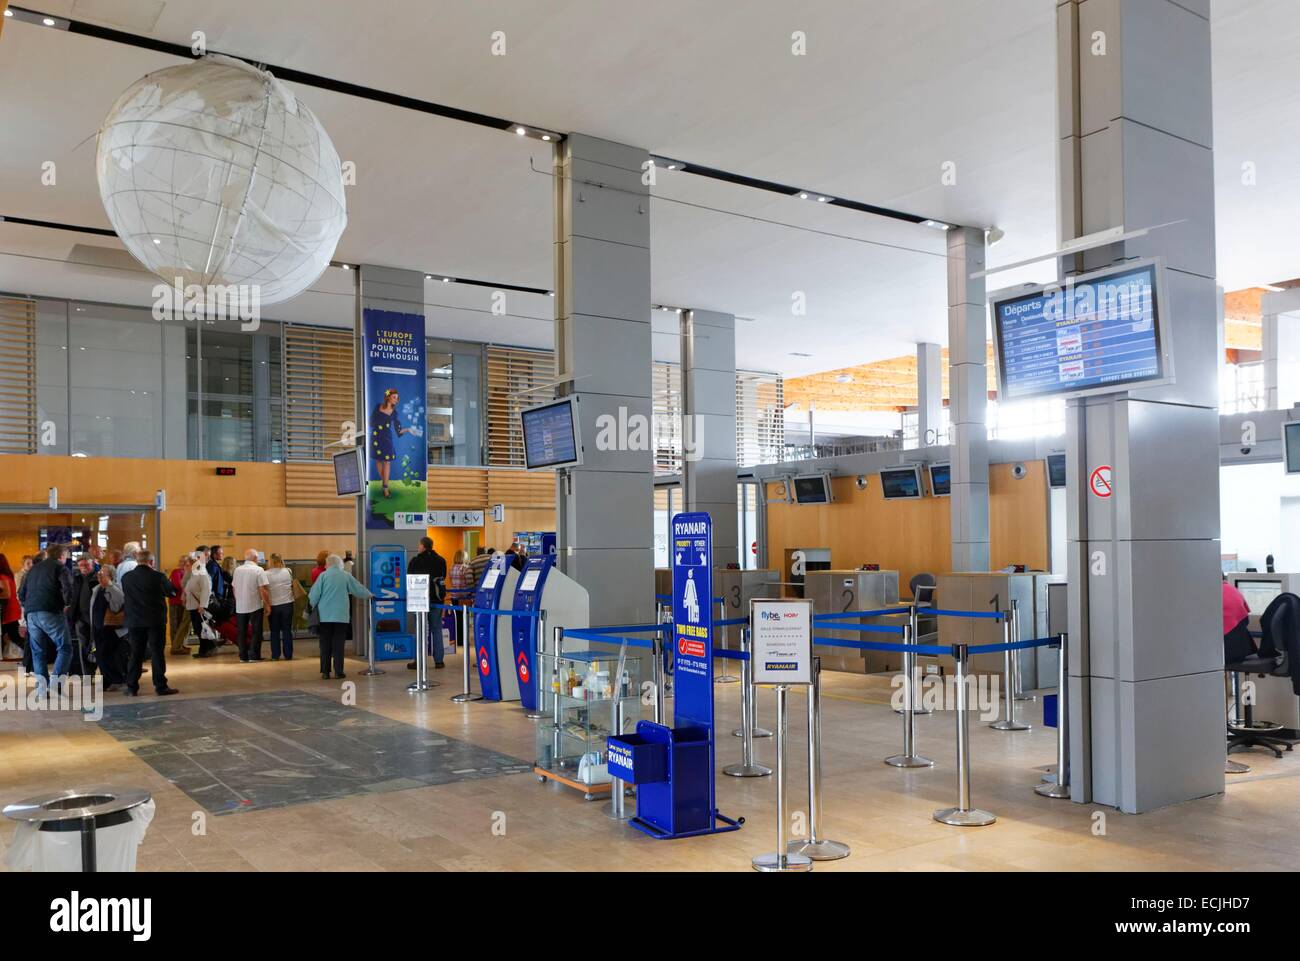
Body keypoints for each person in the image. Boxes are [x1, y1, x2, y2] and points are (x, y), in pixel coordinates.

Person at [121, 550, 179, 696]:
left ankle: (131, 687)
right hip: (155, 621)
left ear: (137, 560)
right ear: (151, 562)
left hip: (134, 621)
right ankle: (160, 686)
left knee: (136, 654)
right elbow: (171, 592)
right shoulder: (158, 577)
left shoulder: (126, 577)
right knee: (157, 653)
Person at [18, 545, 73, 695]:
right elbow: (68, 588)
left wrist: (28, 606)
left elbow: (21, 593)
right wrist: (67, 604)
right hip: (50, 611)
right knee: (65, 647)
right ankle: (55, 686)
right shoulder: (60, 567)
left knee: (38, 652)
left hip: (31, 613)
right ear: (61, 555)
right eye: (66, 556)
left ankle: (42, 690)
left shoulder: (32, 569)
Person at [308, 554, 372, 680]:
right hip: (341, 616)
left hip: (324, 616)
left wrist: (311, 606)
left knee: (325, 644)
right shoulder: (345, 575)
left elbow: (313, 595)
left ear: (328, 564)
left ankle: (325, 672)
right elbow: (357, 589)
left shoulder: (323, 576)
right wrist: (370, 595)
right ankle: (339, 672)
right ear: (339, 564)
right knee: (338, 644)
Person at [407, 537, 447, 670]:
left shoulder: (416, 561)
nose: (418, 547)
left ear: (423, 546)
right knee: (436, 629)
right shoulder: (441, 560)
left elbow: (410, 578)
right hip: (437, 599)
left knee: (421, 630)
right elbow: (443, 577)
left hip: (420, 599)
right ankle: (439, 660)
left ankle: (419, 660)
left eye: (419, 545)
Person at [90, 564, 127, 691]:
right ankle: (107, 681)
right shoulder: (96, 589)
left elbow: (119, 604)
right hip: (98, 626)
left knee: (107, 655)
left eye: (103, 574)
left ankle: (117, 680)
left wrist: (110, 586)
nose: (100, 576)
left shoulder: (115, 588)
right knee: (99, 654)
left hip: (111, 628)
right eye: (100, 574)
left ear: (111, 576)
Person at [370, 387, 412, 498]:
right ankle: (384, 484)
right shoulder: (377, 407)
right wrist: (378, 425)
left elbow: (398, 431)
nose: (396, 400)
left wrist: (408, 429)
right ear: (388, 397)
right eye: (394, 397)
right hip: (376, 437)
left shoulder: (394, 413)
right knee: (379, 460)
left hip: (387, 438)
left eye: (397, 398)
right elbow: (370, 422)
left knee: (387, 462)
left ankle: (385, 487)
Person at [232, 549, 270, 662]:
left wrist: (238, 599)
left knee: (241, 632)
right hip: (255, 605)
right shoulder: (259, 570)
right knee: (256, 631)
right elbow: (262, 589)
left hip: (240, 606)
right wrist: (267, 605)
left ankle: (243, 656)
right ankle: (254, 655)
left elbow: (234, 588)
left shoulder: (237, 570)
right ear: (255, 558)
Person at [68, 555, 98, 677]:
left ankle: (106, 676)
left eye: (87, 565)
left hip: (96, 618)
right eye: (81, 565)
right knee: (83, 646)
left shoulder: (98, 577)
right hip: (80, 618)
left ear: (92, 565)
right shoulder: (77, 579)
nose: (84, 568)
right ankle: (87, 674)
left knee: (97, 646)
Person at [264, 553, 298, 661]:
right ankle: (288, 655)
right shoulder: (288, 571)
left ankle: (275, 655)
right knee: (287, 630)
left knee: (274, 631)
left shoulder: (266, 574)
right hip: (287, 604)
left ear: (270, 561)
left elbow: (264, 590)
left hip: (273, 605)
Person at [184, 550, 214, 658]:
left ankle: (205, 649)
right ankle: (207, 647)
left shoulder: (202, 572)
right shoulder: (194, 573)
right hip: (193, 606)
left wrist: (202, 605)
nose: (186, 565)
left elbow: (206, 590)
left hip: (199, 606)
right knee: (198, 628)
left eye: (188, 563)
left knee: (202, 628)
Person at [1223, 576, 1255, 664]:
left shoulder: (1208, 593)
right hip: (1242, 649)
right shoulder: (1232, 589)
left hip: (1225, 654)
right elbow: (1246, 618)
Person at [448, 549, 472, 648]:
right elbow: (469, 582)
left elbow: (451, 581)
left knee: (457, 619)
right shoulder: (466, 568)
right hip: (464, 597)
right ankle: (464, 640)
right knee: (464, 620)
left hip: (454, 596)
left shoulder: (452, 568)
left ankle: (457, 639)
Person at [168, 554, 191, 654]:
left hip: (185, 602)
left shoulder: (187, 572)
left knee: (183, 625)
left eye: (185, 562)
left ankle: (181, 644)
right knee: (175, 624)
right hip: (176, 602)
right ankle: (175, 646)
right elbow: (178, 585)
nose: (184, 563)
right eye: (182, 561)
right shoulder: (176, 572)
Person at [0, 554, 21, 662]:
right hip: (12, 607)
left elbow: (6, 594)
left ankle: (30, 654)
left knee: (14, 635)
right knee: (12, 634)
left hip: (8, 609)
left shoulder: (2, 577)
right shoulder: (8, 575)